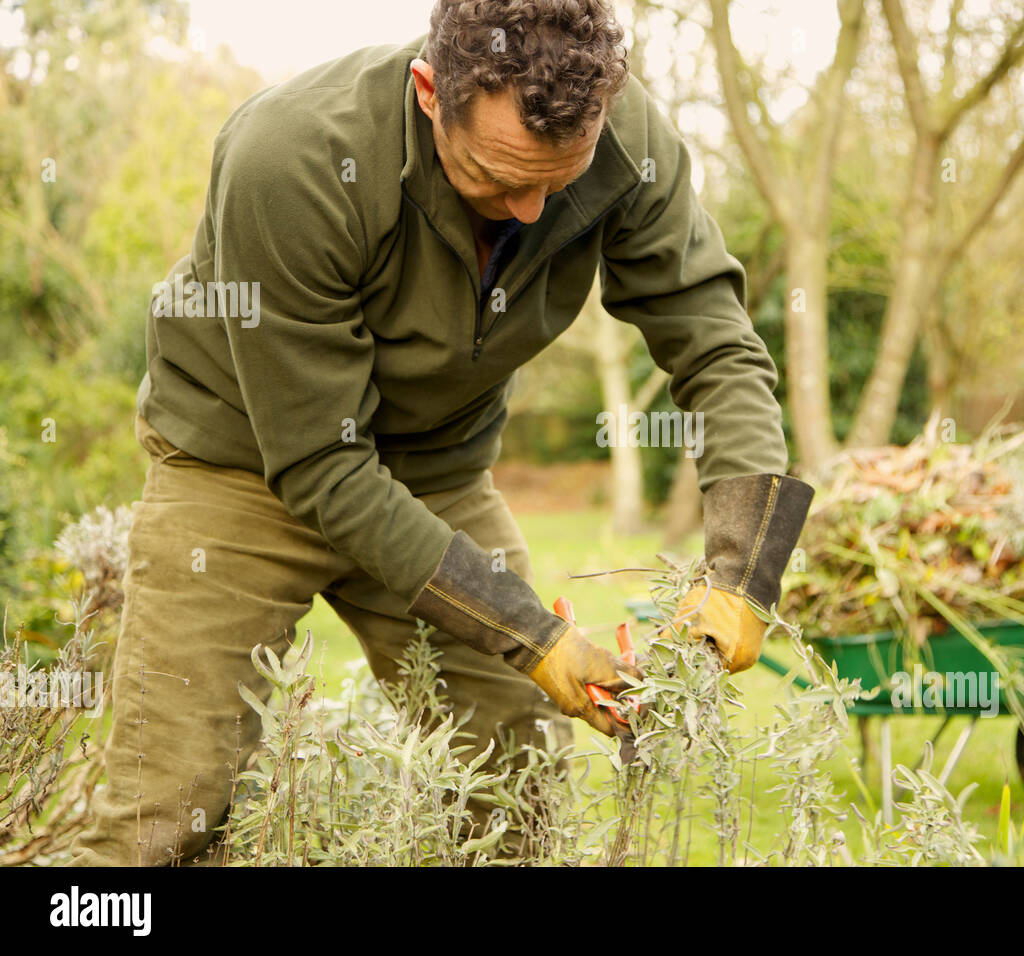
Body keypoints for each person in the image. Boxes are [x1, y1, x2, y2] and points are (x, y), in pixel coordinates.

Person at [69, 0, 813, 866]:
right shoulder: (293, 157)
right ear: (430, 92)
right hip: (245, 469)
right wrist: (530, 634)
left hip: (437, 470)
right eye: (498, 177)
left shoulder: (626, 137)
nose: (532, 212)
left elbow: (713, 339)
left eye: (557, 180)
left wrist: (745, 565)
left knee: (517, 782)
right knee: (162, 811)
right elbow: (322, 468)